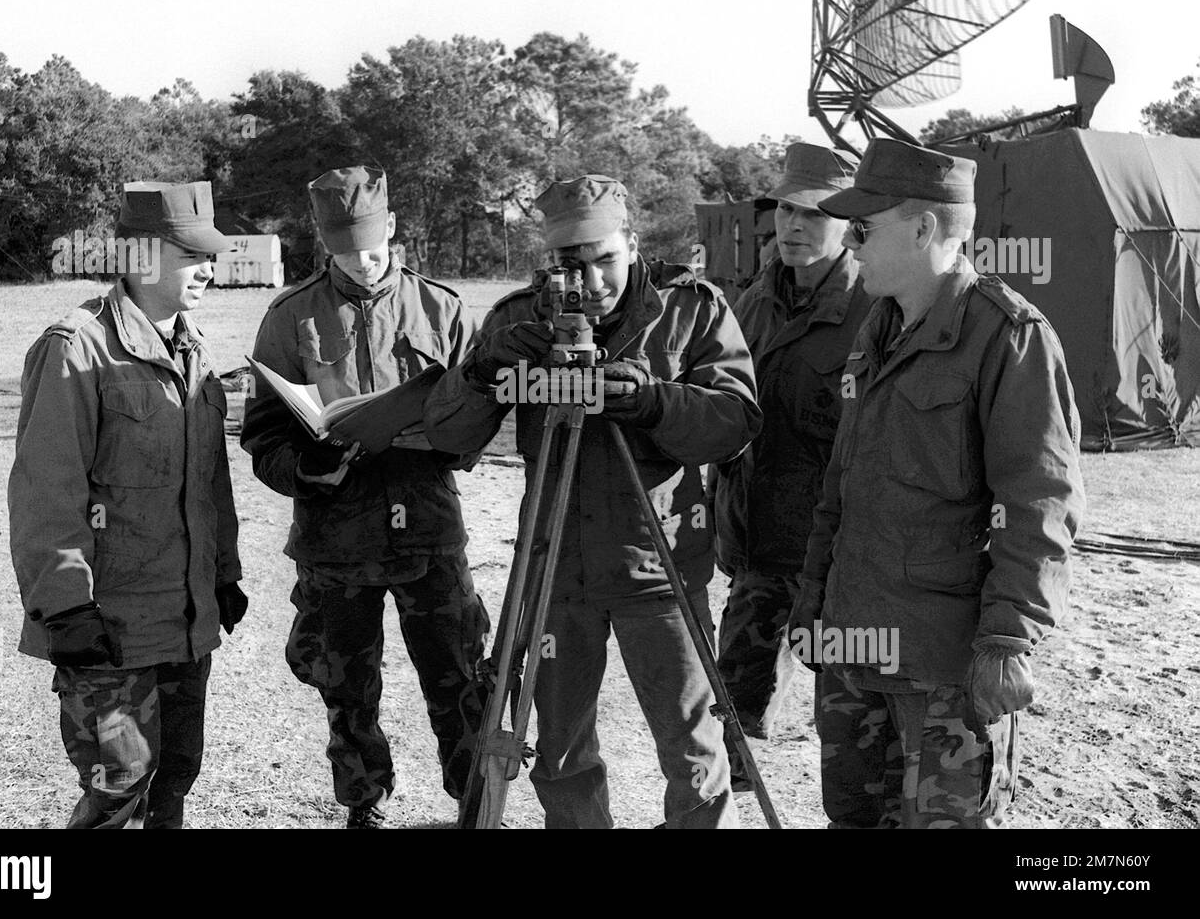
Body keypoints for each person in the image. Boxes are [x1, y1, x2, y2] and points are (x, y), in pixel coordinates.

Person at [425, 175, 762, 829]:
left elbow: (734, 424)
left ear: (633, 243)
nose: (593, 280)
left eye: (606, 257)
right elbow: (448, 436)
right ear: (550, 262)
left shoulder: (689, 309)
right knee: (559, 749)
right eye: (573, 263)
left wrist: (651, 401)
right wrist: (482, 374)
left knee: (691, 747)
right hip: (557, 570)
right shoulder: (518, 318)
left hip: (656, 569)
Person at [795, 138, 1085, 828]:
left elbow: (1040, 502)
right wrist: (813, 602)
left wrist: (1010, 639)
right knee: (854, 818)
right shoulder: (878, 327)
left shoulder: (1009, 336)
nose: (852, 245)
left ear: (924, 228)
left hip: (943, 659)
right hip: (854, 641)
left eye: (864, 229)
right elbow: (843, 483)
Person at [241, 166, 488, 829]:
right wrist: (310, 464)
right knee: (346, 687)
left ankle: (475, 802)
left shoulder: (442, 308)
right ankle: (363, 802)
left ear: (394, 231)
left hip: (429, 531)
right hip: (336, 539)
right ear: (325, 245)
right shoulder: (290, 317)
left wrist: (444, 435)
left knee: (460, 677)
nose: (363, 262)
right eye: (346, 252)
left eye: (373, 248)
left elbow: (479, 424)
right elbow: (263, 436)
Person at [8, 180, 246, 829]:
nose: (208, 269)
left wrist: (223, 572)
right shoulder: (76, 347)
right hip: (108, 625)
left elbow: (208, 485)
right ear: (142, 257)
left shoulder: (194, 351)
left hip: (185, 619)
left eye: (209, 255)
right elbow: (47, 490)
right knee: (120, 788)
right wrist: (66, 607)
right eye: (191, 255)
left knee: (172, 782)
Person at [711, 142, 868, 748]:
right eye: (785, 211)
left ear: (849, 224)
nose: (795, 226)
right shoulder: (754, 298)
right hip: (757, 538)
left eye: (815, 214)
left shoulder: (873, 309)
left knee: (852, 707)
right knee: (731, 707)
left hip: (831, 552)